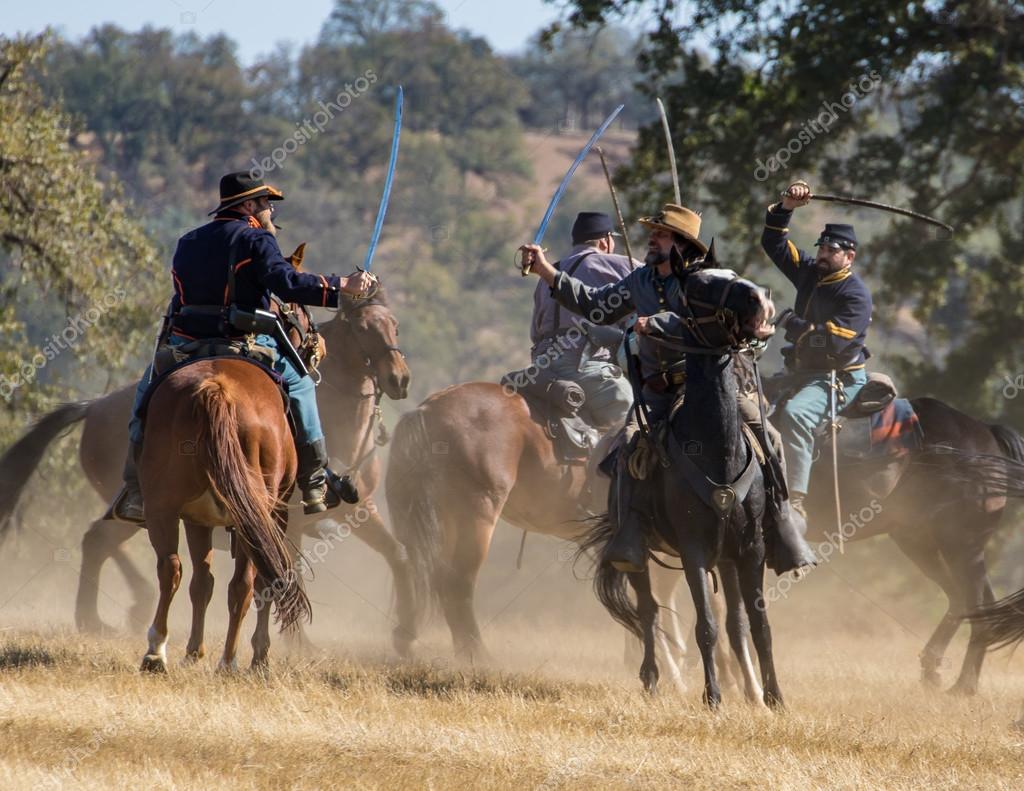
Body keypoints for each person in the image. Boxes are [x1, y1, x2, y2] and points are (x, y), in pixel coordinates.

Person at [106, 171, 374, 523]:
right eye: (265, 203)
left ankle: (135, 490)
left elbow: (182, 294)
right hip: (242, 341)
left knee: (144, 398)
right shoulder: (256, 239)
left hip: (186, 345)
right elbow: (287, 283)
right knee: (302, 386)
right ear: (248, 205)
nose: (269, 212)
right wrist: (343, 285)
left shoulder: (187, 241)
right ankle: (314, 480)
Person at [761, 180, 873, 518]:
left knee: (796, 416)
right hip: (800, 372)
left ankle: (795, 501)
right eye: (821, 248)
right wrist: (786, 208)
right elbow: (774, 242)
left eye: (832, 250)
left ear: (849, 256)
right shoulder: (812, 273)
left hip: (836, 377)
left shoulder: (856, 295)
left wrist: (795, 325)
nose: (823, 255)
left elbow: (834, 344)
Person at [529, 211, 638, 432]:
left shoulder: (547, 274)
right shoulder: (620, 265)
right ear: (605, 240)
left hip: (541, 367)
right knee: (630, 415)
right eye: (612, 240)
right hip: (583, 364)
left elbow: (535, 331)